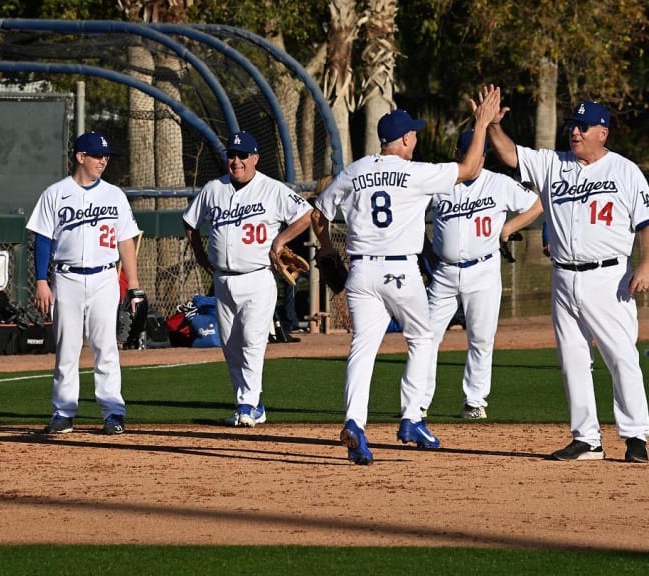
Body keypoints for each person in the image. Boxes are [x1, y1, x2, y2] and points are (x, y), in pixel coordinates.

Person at [311, 87, 501, 465]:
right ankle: (412, 417)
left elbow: (318, 215)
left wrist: (330, 252)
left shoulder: (355, 171)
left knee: (363, 348)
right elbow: (471, 169)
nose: (416, 137)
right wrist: (481, 123)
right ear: (404, 140)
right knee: (422, 337)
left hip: (361, 270)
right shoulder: (415, 174)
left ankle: (355, 422)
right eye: (412, 133)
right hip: (399, 269)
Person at [483, 90, 649, 463]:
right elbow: (510, 154)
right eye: (572, 126)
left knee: (621, 356)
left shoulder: (625, 170)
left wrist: (648, 264)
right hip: (564, 278)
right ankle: (587, 439)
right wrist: (494, 124)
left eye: (582, 127)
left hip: (608, 278)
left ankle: (635, 436)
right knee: (573, 359)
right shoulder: (553, 164)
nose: (574, 132)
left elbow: (648, 224)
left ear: (603, 132)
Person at [183, 131, 312, 427]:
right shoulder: (214, 188)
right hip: (223, 280)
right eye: (232, 154)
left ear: (255, 158)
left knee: (253, 341)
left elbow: (307, 215)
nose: (236, 161)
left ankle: (247, 404)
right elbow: (190, 222)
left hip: (258, 278)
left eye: (243, 155)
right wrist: (201, 256)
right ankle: (251, 403)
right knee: (230, 345)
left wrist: (280, 241)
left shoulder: (272, 189)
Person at [27, 131, 142, 435]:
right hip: (66, 277)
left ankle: (113, 413)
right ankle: (63, 412)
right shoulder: (55, 193)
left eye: (105, 156)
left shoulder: (114, 195)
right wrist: (41, 280)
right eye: (97, 155)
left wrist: (134, 284)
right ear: (80, 157)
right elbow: (42, 238)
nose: (103, 161)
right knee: (67, 348)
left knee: (106, 348)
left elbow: (126, 241)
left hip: (105, 276)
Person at [422, 130, 543, 420]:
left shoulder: (499, 183)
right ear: (458, 153)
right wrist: (424, 249)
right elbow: (412, 215)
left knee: (480, 338)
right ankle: (418, 402)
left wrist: (509, 229)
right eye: (468, 152)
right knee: (425, 337)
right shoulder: (440, 182)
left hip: (483, 270)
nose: (475, 157)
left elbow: (537, 204)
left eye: (480, 153)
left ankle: (474, 401)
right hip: (445, 272)